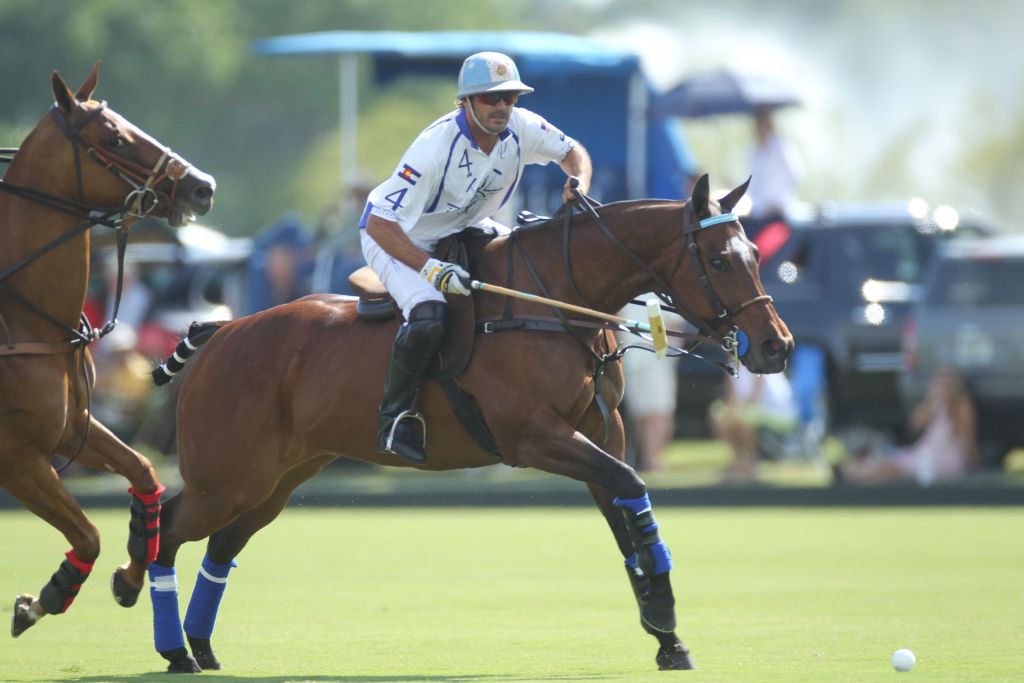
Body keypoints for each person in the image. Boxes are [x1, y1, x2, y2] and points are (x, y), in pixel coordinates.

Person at [360, 51, 592, 464]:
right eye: (490, 98)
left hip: (459, 229)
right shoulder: (433, 148)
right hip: (398, 238)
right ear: (466, 102)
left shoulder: (522, 126)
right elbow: (380, 223)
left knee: (528, 266)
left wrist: (577, 181)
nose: (502, 106)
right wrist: (431, 269)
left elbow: (572, 150)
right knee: (429, 311)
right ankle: (394, 419)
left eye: (509, 97)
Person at [835, 368, 978, 486]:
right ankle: (852, 473)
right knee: (884, 464)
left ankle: (851, 476)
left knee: (890, 467)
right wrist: (930, 400)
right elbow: (915, 424)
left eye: (945, 386)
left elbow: (966, 439)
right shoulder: (936, 405)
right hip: (925, 453)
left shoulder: (962, 407)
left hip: (942, 460)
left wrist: (973, 464)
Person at [617, 301, 685, 472]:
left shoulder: (659, 296)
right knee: (639, 414)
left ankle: (654, 461)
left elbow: (675, 326)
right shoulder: (627, 294)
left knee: (658, 412)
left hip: (657, 362)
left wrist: (669, 356)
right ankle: (643, 460)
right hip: (631, 362)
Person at [708, 364, 799, 481]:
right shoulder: (730, 366)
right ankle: (738, 460)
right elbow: (732, 398)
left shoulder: (758, 361)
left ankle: (751, 462)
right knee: (718, 417)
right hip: (755, 410)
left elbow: (754, 398)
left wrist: (738, 409)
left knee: (743, 418)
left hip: (779, 412)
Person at [747, 107, 804, 219]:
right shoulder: (754, 150)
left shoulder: (782, 145)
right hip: (761, 209)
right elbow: (753, 181)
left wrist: (777, 199)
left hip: (782, 208)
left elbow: (796, 173)